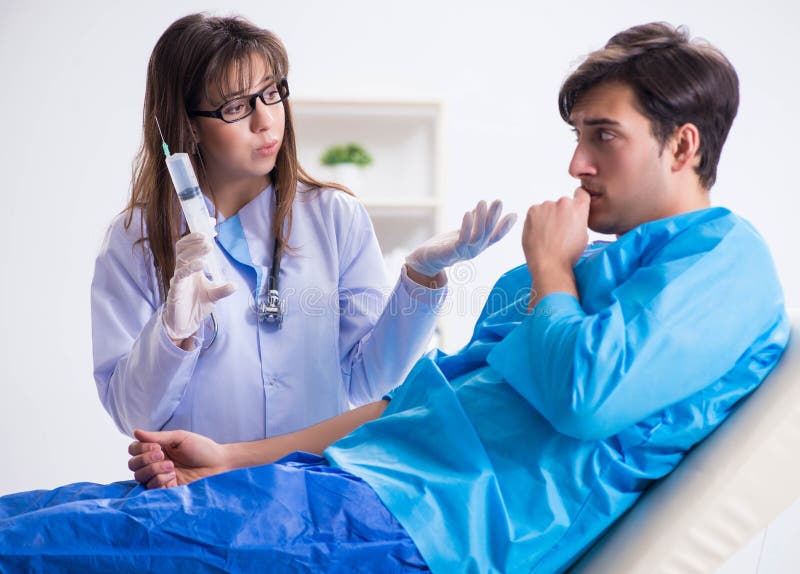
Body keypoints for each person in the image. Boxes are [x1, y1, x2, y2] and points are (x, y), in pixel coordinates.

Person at [1, 22, 790, 574]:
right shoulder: (570, 278)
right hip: (356, 477)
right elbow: (419, 394)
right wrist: (232, 455)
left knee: (57, 549)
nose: (576, 164)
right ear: (190, 127)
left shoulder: (725, 262)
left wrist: (528, 269)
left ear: (683, 144)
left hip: (435, 522)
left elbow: (583, 400)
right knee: (43, 517)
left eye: (602, 136)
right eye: (577, 136)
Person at [90, 13, 516, 444]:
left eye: (271, 93)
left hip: (315, 487)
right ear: (189, 125)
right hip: (201, 494)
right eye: (236, 106)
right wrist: (172, 334)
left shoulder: (334, 216)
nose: (265, 121)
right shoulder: (135, 239)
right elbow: (132, 414)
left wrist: (420, 278)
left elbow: (368, 380)